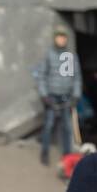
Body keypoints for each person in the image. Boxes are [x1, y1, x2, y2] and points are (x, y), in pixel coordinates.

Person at [33, 29, 83, 167]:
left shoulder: (71, 56)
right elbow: (41, 75)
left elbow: (76, 77)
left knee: (67, 127)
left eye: (64, 37)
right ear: (55, 38)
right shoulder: (49, 54)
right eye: (59, 37)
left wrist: (76, 95)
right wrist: (44, 95)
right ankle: (44, 153)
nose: (62, 40)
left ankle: (67, 156)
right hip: (51, 96)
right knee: (48, 125)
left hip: (66, 97)